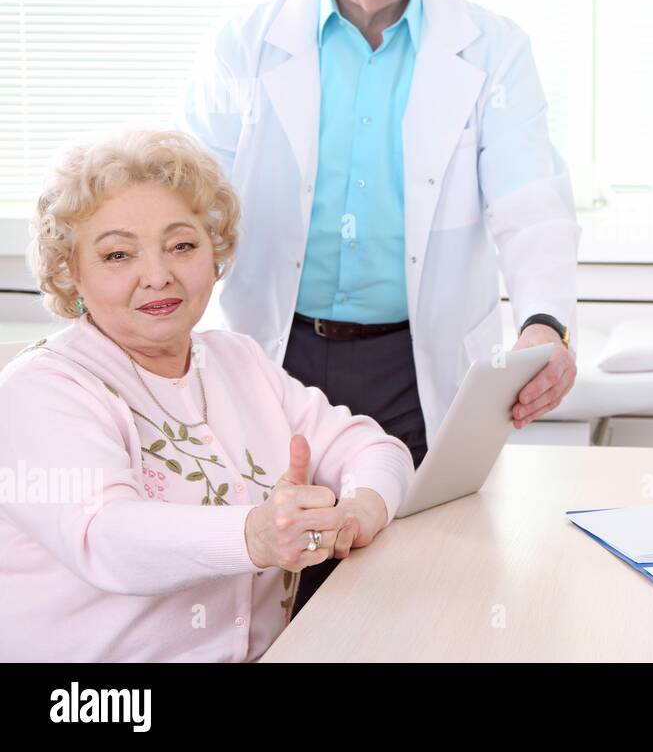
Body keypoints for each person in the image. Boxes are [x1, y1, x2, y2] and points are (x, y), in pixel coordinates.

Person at [181, 0, 580, 610]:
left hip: (415, 365)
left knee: (419, 585)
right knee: (277, 580)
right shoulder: (243, 47)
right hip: (275, 352)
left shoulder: (492, 50)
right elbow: (189, 204)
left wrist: (543, 326)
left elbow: (531, 201)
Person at [0, 130, 414, 661]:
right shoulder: (41, 391)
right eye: (119, 254)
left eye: (182, 246)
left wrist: (358, 513)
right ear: (70, 272)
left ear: (214, 253)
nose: (158, 275)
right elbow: (106, 537)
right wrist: (256, 535)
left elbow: (374, 448)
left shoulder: (235, 361)